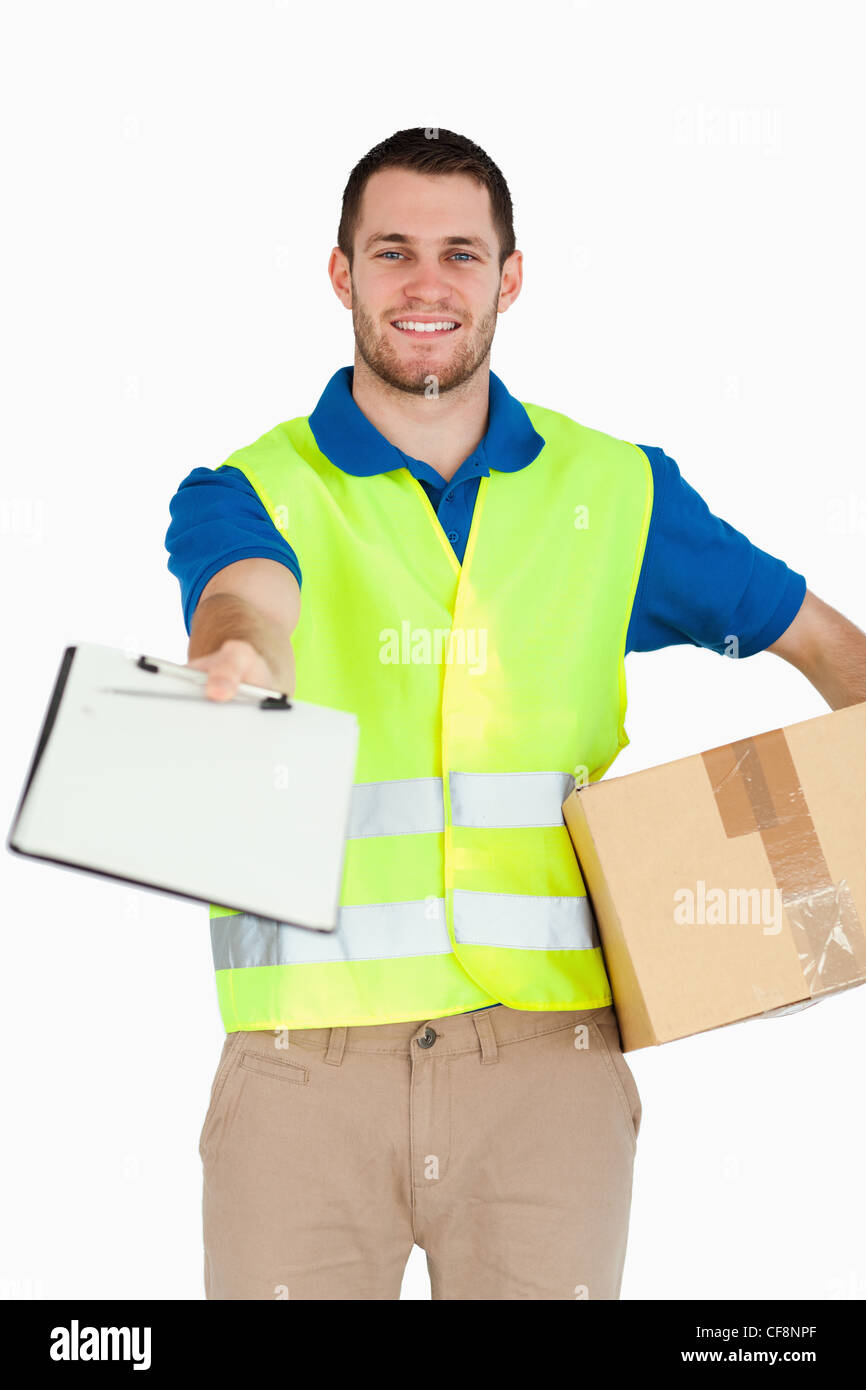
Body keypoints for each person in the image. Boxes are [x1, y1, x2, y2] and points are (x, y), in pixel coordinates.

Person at [165, 127, 866, 1301]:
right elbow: (245, 593)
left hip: (547, 1069)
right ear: (342, 276)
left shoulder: (615, 493)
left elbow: (826, 645)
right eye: (392, 252)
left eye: (458, 252)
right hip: (301, 1078)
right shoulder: (251, 488)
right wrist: (238, 654)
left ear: (508, 277)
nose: (426, 283)